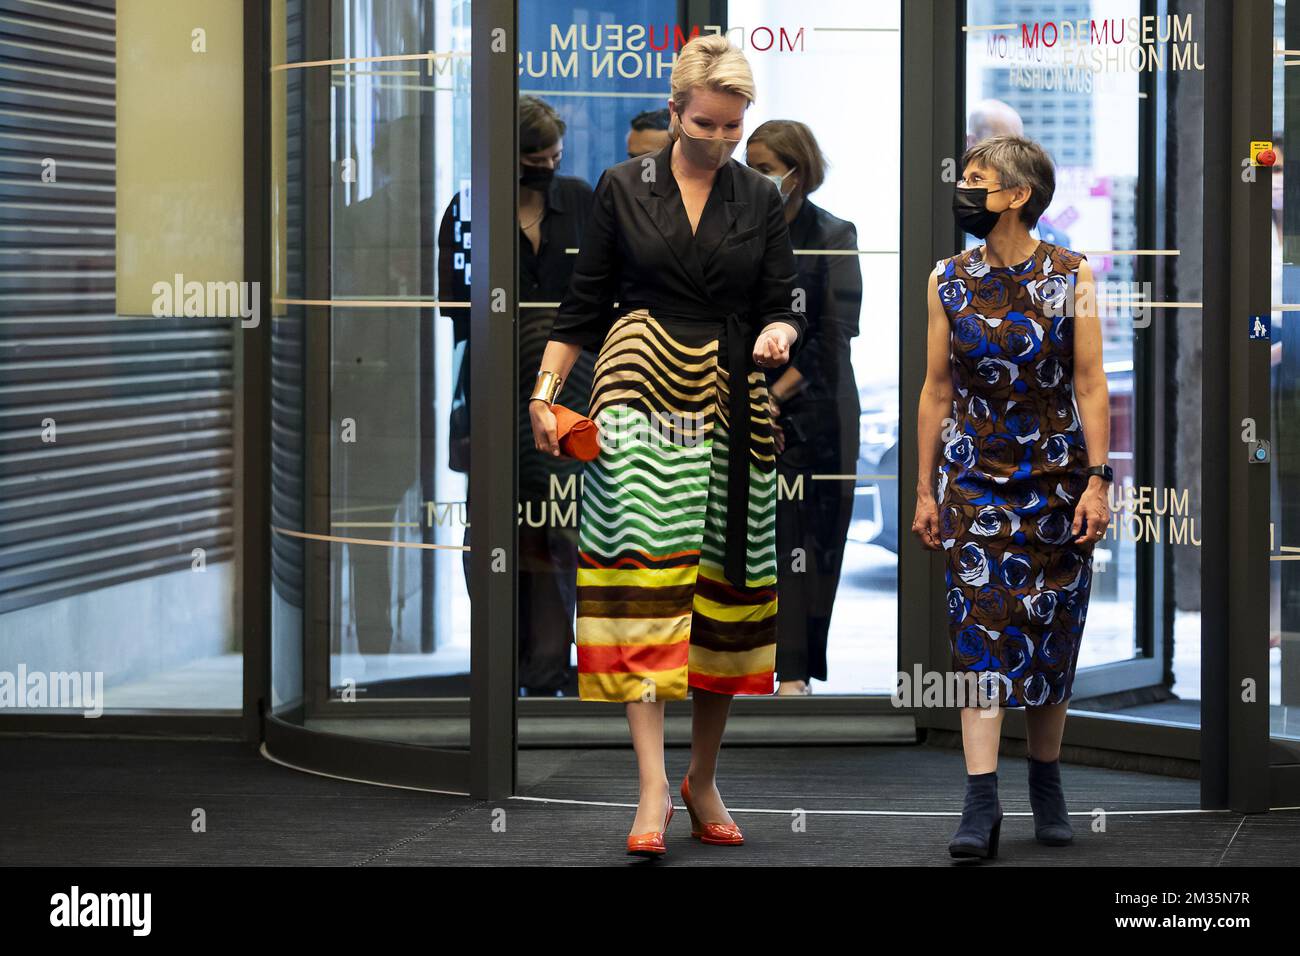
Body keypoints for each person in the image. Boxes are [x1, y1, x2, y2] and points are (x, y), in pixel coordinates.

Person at [529, 34, 805, 857]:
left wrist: (780, 333)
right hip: (636, 394)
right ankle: (651, 782)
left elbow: (783, 299)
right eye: (708, 124)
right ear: (677, 111)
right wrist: (544, 397)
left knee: (725, 596)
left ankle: (702, 775)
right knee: (641, 591)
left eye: (735, 125)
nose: (723, 139)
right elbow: (582, 307)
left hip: (730, 401)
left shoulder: (758, 195)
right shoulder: (622, 186)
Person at [912, 135, 1112, 861]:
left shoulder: (1072, 274)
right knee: (980, 636)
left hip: (1057, 481)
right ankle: (980, 799)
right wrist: (924, 487)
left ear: (1017, 194)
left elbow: (1090, 383)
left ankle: (1048, 784)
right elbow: (936, 388)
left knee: (1051, 631)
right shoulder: (947, 278)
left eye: (977, 179)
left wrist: (1099, 478)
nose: (964, 189)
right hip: (974, 482)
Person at [437, 95, 597, 696]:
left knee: (564, 528)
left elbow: (602, 297)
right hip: (494, 388)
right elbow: (455, 310)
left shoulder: (582, 201)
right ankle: (502, 668)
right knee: (497, 528)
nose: (547, 166)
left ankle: (553, 668)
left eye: (554, 155)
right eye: (534, 157)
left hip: (573, 386)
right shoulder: (468, 210)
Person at [745, 120, 863, 695]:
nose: (755, 176)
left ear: (799, 169)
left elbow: (832, 336)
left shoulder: (835, 234)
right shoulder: (742, 230)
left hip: (817, 411)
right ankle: (744, 667)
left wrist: (773, 396)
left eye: (766, 165)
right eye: (750, 164)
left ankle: (796, 672)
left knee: (808, 544)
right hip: (744, 404)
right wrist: (749, 396)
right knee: (752, 543)